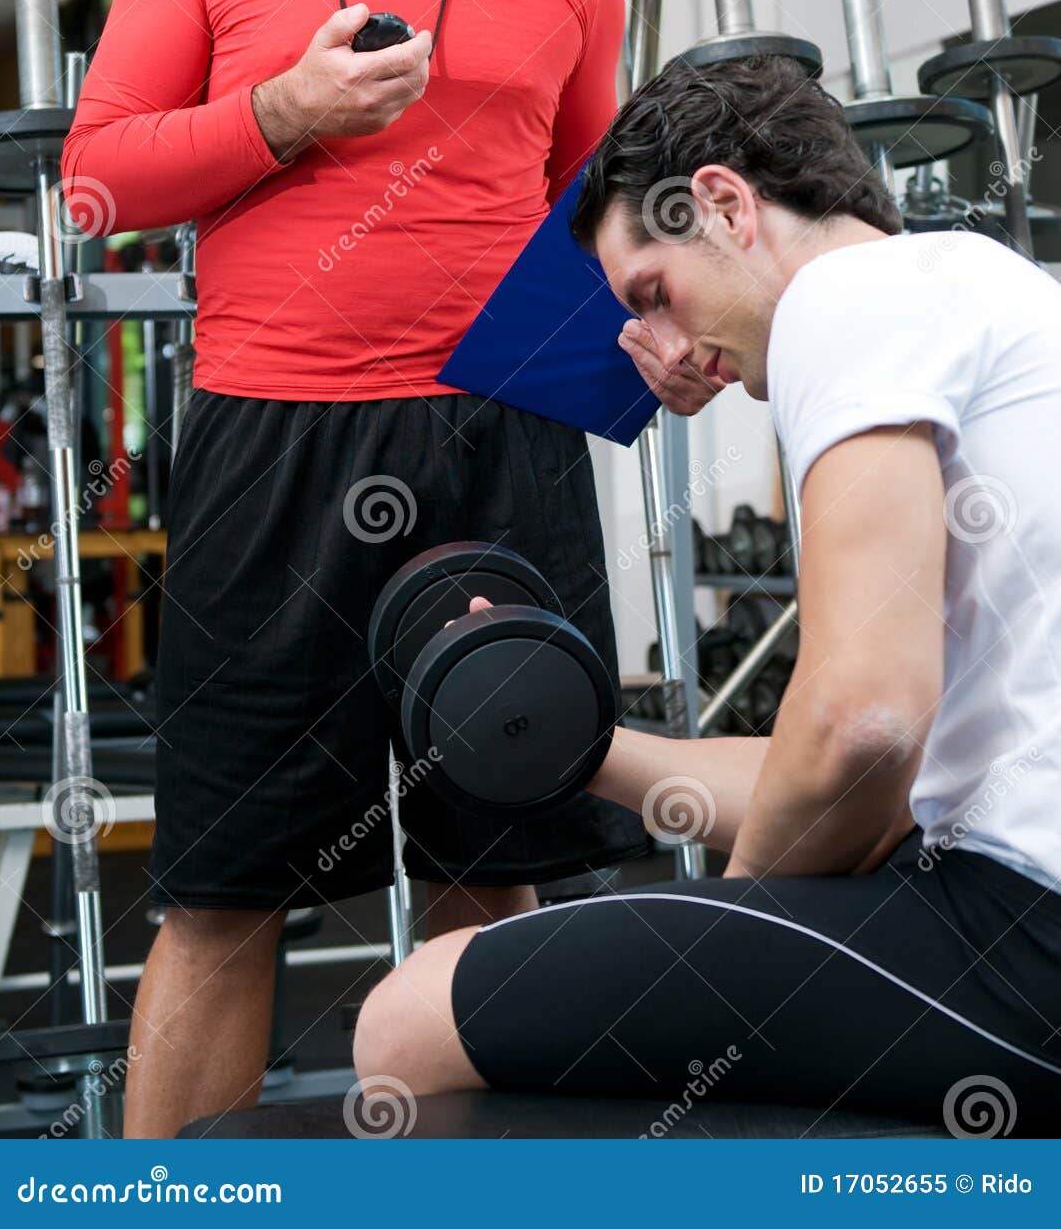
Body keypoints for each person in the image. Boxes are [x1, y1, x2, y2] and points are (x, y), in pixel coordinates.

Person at [61, 0, 701, 1139]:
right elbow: (99, 176)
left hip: (502, 442)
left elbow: (589, 214)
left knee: (500, 862)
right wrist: (280, 116)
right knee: (223, 884)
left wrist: (660, 334)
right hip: (277, 441)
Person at [352, 55, 1061, 1136]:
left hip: (1026, 941)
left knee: (405, 1020)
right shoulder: (985, 288)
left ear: (725, 204)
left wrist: (726, 910)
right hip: (1009, 904)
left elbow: (861, 725)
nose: (663, 350)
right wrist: (582, 748)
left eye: (653, 294)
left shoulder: (849, 293)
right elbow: (870, 758)